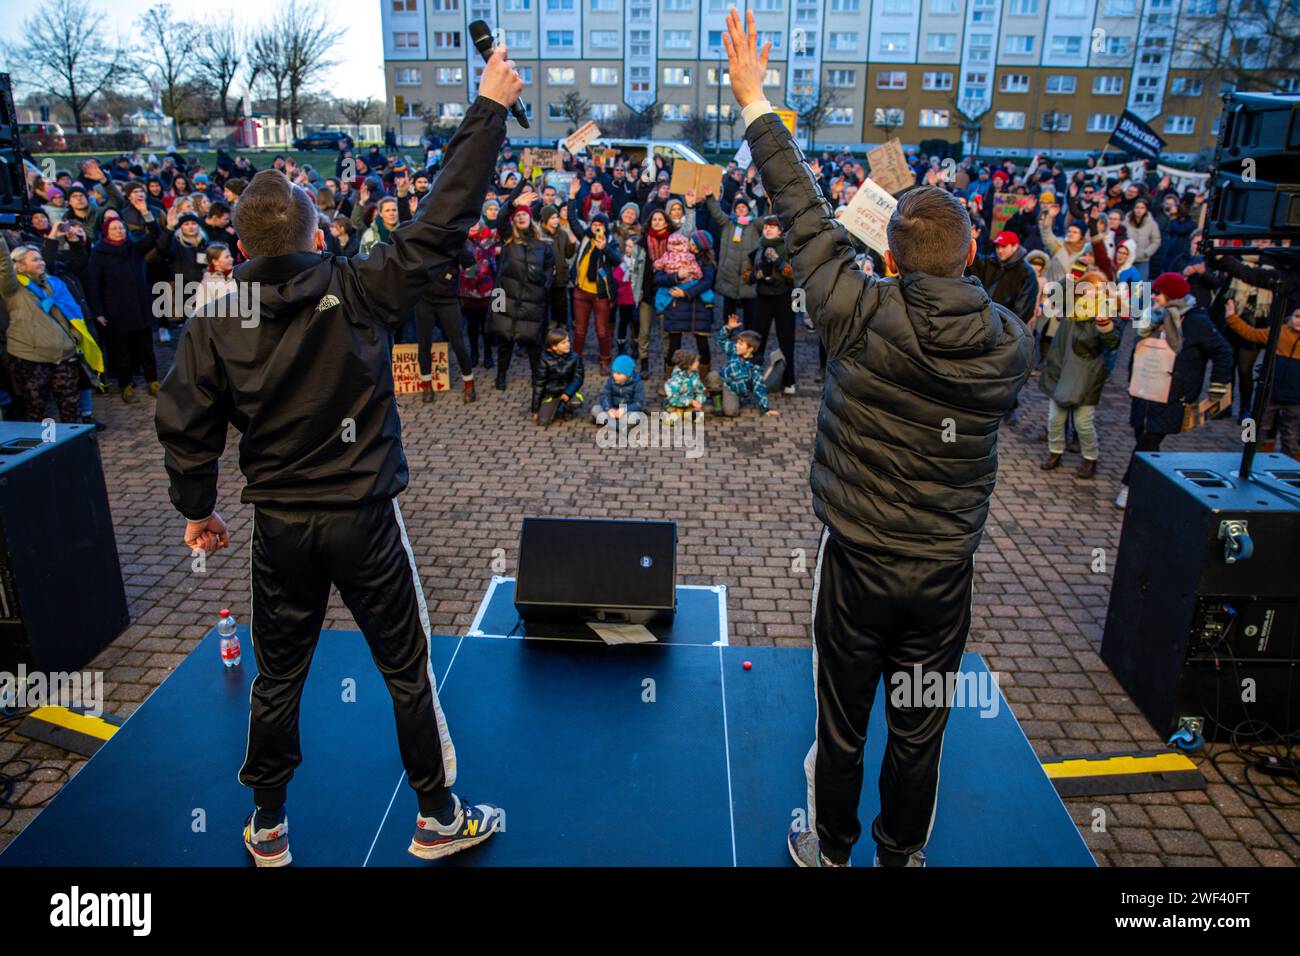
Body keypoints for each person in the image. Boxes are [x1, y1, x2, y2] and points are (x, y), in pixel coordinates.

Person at [154, 44, 523, 866]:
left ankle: (268, 826)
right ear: (318, 231)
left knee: (277, 674)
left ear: (238, 245)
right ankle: (435, 818)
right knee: (405, 670)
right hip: (364, 521)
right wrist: (489, 106)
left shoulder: (214, 320)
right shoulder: (359, 286)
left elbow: (184, 425)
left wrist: (196, 511)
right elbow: (443, 216)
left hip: (279, 528)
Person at [721, 7, 1029, 868]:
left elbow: (804, 215)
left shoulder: (856, 310)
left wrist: (757, 103)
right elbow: (1017, 300)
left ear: (887, 259)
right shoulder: (1009, 344)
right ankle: (902, 857)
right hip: (943, 574)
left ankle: (830, 848)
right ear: (967, 258)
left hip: (857, 562)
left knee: (843, 723)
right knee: (919, 727)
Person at [1117, 272, 1232, 509]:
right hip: (1146, 388)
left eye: (1158, 293)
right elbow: (1140, 349)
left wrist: (1218, 385)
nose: (1155, 296)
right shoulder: (1153, 317)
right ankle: (1152, 482)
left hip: (1172, 393)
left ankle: (1129, 487)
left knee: (1148, 440)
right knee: (1143, 436)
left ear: (1170, 296)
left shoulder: (1196, 321)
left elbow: (1223, 351)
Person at [1038, 272, 1121, 479]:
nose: (1091, 293)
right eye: (1088, 287)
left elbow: (1113, 343)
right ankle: (1055, 453)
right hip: (1061, 368)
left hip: (1087, 374)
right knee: (1055, 418)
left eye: (1097, 289)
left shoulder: (1107, 311)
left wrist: (1105, 326)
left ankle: (1090, 458)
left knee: (1083, 421)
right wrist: (1069, 276)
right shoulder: (1071, 306)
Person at [492, 200, 554, 390]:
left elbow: (550, 268)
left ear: (530, 218)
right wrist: (513, 202)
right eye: (517, 215)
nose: (520, 217)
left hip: (532, 300)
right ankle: (501, 376)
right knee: (505, 342)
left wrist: (544, 285)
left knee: (533, 343)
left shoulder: (542, 245)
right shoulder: (508, 239)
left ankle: (537, 376)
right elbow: (502, 216)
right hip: (507, 298)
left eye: (524, 214)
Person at [532, 327, 585, 425]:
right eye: (563, 343)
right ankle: (552, 406)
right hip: (551, 394)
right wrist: (535, 410)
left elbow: (578, 378)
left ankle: (567, 410)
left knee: (575, 402)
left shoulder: (575, 357)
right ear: (554, 347)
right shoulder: (544, 359)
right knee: (543, 422)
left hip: (569, 392)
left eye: (568, 341)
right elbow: (539, 384)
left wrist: (568, 392)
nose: (568, 344)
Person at [593, 353, 645, 424]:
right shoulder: (611, 380)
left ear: (628, 374)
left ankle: (609, 423)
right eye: (614, 372)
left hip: (627, 411)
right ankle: (615, 424)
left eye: (619, 373)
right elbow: (605, 396)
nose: (615, 375)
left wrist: (624, 410)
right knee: (595, 409)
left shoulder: (637, 383)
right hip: (612, 409)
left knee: (634, 417)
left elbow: (639, 403)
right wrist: (609, 408)